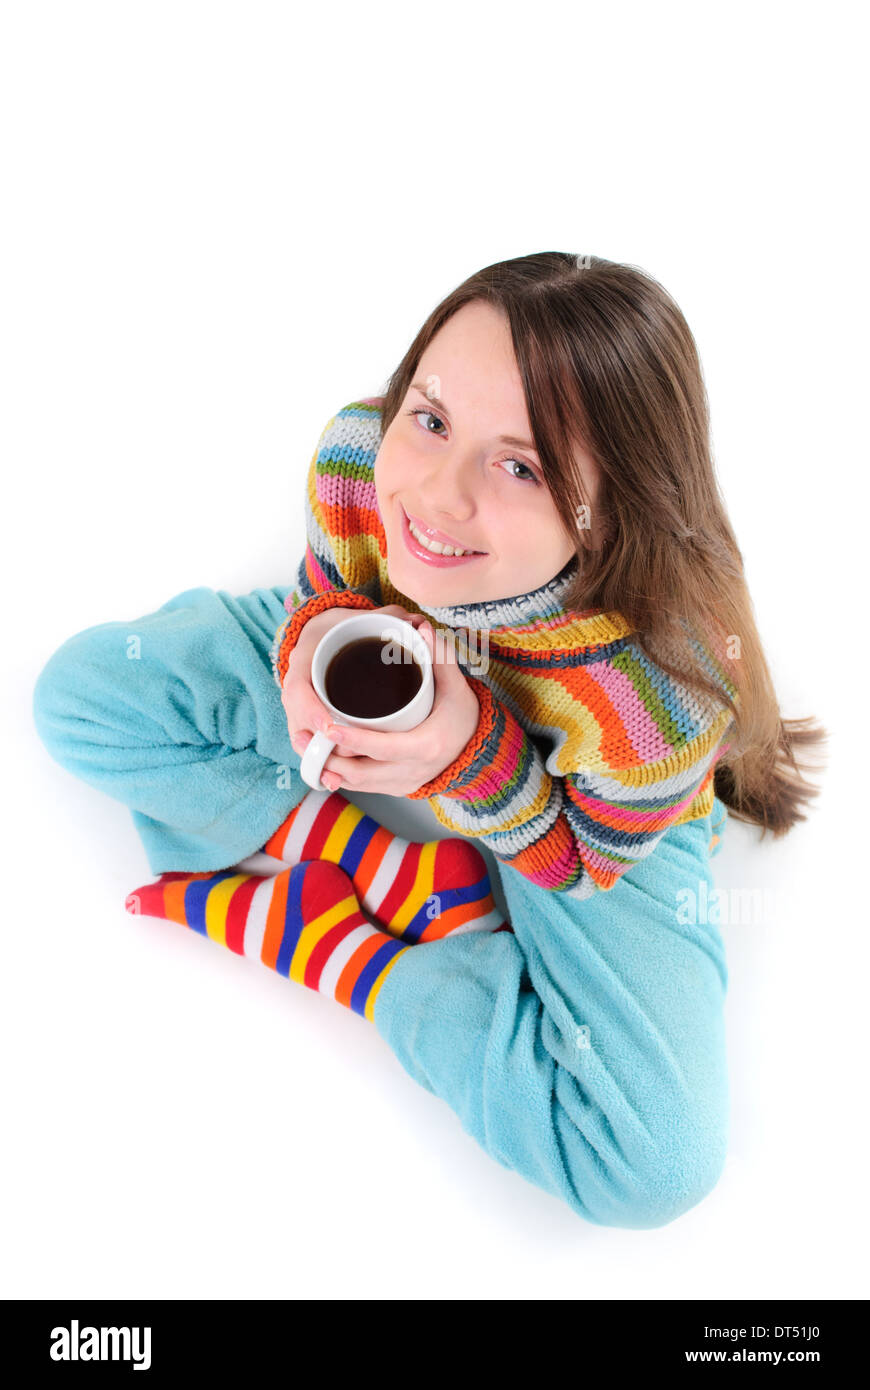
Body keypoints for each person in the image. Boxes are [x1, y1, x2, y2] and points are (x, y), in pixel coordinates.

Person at [32, 252, 825, 1227]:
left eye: (522, 465)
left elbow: (578, 861)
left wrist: (467, 758)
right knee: (82, 697)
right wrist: (311, 642)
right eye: (433, 418)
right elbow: (330, 591)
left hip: (566, 812)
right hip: (396, 658)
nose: (435, 497)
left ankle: (361, 958)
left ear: (615, 507)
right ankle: (372, 867)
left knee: (656, 1163)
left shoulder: (661, 693)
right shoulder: (361, 458)